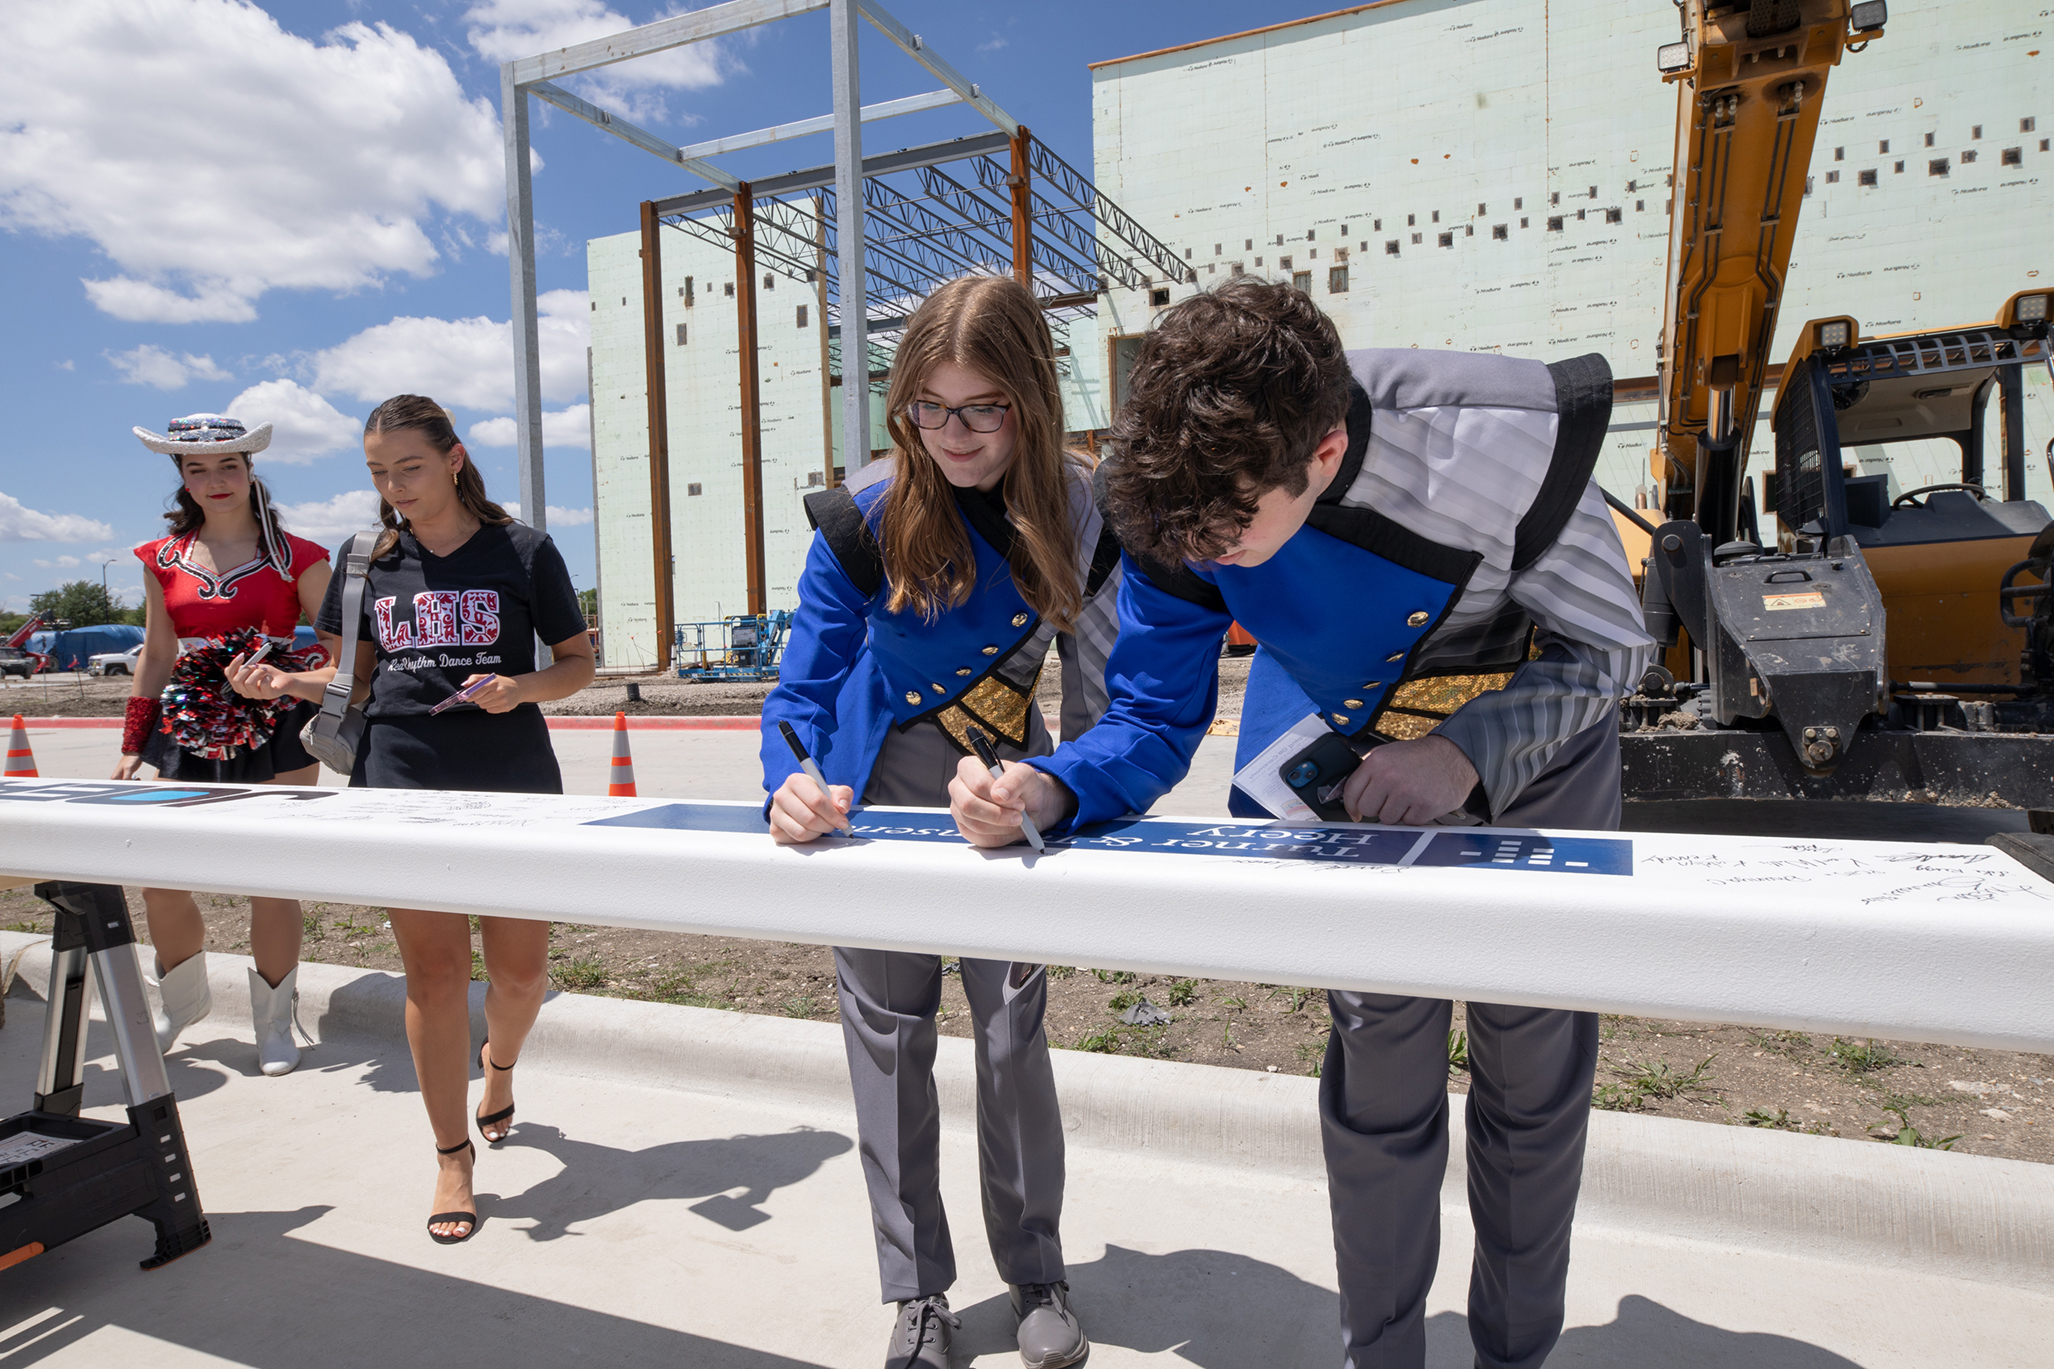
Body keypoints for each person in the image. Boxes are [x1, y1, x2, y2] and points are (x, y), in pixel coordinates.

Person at [952, 277, 1653, 1369]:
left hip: (1534, 741)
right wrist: (1049, 787)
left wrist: (1462, 753)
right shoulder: (1177, 500)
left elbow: (1608, 650)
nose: (1211, 563)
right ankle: (1379, 1357)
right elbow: (1146, 710)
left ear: (1321, 456)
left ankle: (1515, 1353)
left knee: (1528, 1074)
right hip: (1346, 743)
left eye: (1232, 536)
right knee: (1378, 1078)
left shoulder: (1502, 444)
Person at [762, 275, 1119, 1369]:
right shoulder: (861, 512)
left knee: (1014, 1040)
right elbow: (800, 696)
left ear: (1032, 396)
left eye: (982, 408)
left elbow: (1106, 699)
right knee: (887, 1044)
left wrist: (1063, 794)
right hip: (869, 799)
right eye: (928, 407)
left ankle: (1036, 1263)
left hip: (1009, 795)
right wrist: (788, 782)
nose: (952, 435)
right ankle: (916, 1288)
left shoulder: (1085, 508)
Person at [229, 394, 594, 1244]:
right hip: (398, 779)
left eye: (410, 467)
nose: (394, 486)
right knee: (431, 977)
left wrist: (520, 688)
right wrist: (285, 683)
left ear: (455, 458)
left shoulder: (525, 550)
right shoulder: (368, 560)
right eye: (378, 472)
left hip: (511, 781)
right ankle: (450, 1154)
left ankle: (498, 1069)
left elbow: (576, 664)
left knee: (519, 977)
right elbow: (350, 677)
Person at [120, 413, 333, 1077]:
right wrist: (133, 737)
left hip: (279, 734)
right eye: (197, 469)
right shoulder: (160, 559)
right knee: (160, 878)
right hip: (186, 726)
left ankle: (274, 1020)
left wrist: (288, 679)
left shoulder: (302, 557)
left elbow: (336, 654)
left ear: (250, 471)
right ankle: (182, 1002)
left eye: (228, 466)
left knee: (270, 879)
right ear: (182, 478)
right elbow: (157, 653)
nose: (214, 480)